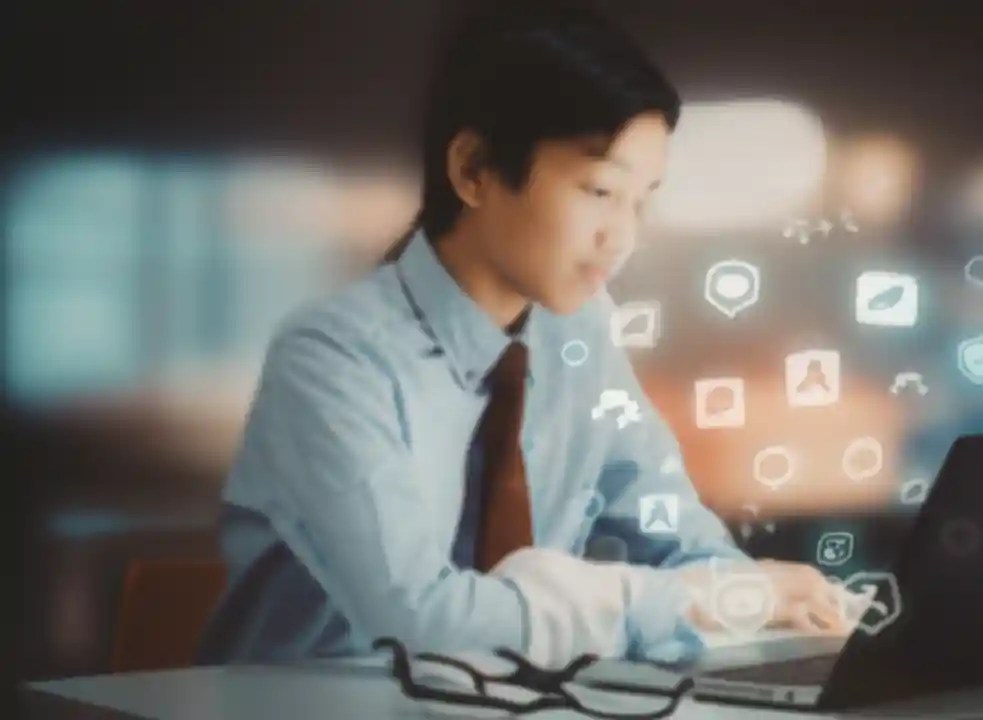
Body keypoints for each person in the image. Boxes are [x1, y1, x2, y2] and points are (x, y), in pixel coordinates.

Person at [197, 0, 850, 668]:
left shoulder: (579, 333)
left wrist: (756, 594)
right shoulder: (332, 359)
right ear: (474, 170)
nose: (622, 237)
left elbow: (676, 536)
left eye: (642, 200)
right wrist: (688, 599)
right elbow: (422, 620)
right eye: (599, 191)